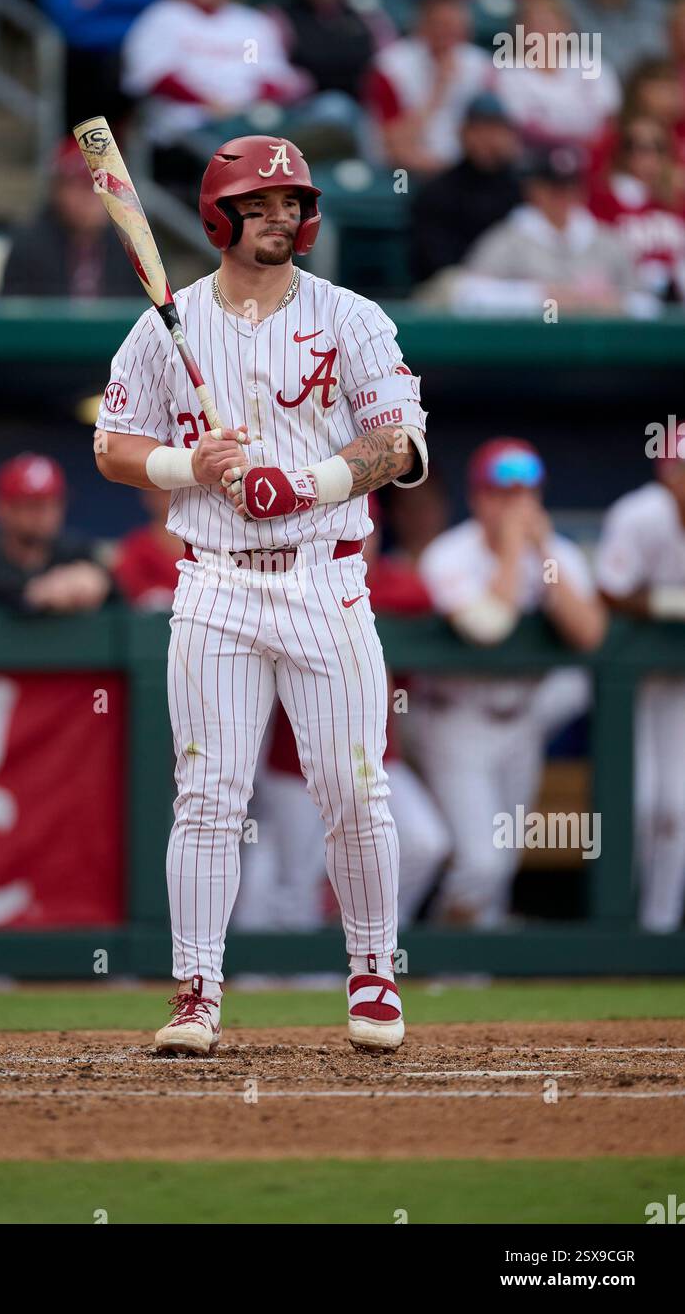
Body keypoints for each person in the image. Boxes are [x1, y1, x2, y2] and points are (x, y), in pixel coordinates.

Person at [93, 133, 428, 1055]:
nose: (281, 214)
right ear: (220, 214)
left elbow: (399, 441)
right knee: (206, 796)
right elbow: (112, 444)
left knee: (357, 793)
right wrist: (185, 462)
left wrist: (307, 483)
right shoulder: (171, 323)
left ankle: (373, 974)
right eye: (261, 201)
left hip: (326, 579)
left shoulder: (352, 316)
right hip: (216, 586)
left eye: (292, 201)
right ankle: (197, 992)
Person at [410, 439, 605, 926]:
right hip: (457, 721)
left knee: (503, 864)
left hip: (522, 722)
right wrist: (517, 544)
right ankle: (445, 965)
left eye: (526, 491)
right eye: (503, 493)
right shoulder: (448, 554)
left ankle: (469, 983)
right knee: (481, 861)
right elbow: (488, 627)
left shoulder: (553, 553)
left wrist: (541, 550)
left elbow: (589, 632)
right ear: (478, 498)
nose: (517, 503)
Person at [121, 0, 308, 186]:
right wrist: (207, 103)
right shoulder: (162, 16)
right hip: (189, 130)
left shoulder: (252, 22)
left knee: (332, 111)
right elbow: (152, 77)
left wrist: (246, 105)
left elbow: (276, 78)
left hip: (251, 120)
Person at [595, 429, 685, 932]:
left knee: (678, 808)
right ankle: (616, 928)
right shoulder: (641, 514)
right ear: (668, 474)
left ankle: (659, 929)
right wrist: (671, 605)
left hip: (677, 684)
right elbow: (608, 591)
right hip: (627, 685)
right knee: (639, 801)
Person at [451, 143, 646, 316]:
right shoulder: (508, 239)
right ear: (534, 189)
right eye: (554, 187)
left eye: (570, 186)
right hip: (530, 348)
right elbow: (468, 295)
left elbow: (646, 303)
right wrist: (538, 297)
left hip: (598, 348)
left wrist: (614, 303)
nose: (562, 196)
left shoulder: (606, 240)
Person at [38, 0, 174, 127]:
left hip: (142, 50)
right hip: (88, 56)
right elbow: (66, 16)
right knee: (98, 71)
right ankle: (93, 147)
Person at [0, 454, 110, 612]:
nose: (46, 514)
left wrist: (100, 581)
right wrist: (31, 591)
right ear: (1, 509)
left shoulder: (77, 550)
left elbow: (117, 591)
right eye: (33, 505)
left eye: (54, 503)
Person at [366, 0, 493, 176]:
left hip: (468, 171)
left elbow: (494, 136)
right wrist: (438, 89)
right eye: (442, 26)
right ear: (422, 26)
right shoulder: (390, 67)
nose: (449, 35)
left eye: (456, 27)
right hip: (405, 172)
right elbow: (396, 149)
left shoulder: (480, 65)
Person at [2, 138, 141, 298]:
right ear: (57, 189)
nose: (95, 196)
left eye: (105, 187)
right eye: (83, 185)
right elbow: (13, 314)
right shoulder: (28, 246)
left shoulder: (133, 248)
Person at [410, 93, 522, 284]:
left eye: (494, 130)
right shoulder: (438, 191)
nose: (486, 139)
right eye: (478, 130)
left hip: (517, 290)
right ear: (462, 133)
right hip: (456, 291)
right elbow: (435, 266)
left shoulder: (524, 191)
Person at [495, 0, 620, 151]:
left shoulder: (593, 63)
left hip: (593, 155)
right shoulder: (508, 73)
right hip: (533, 159)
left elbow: (608, 119)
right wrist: (574, 143)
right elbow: (521, 126)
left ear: (566, 26)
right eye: (533, 23)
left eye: (549, 22)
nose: (541, 31)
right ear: (519, 29)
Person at [589, 115, 685, 301]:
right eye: (637, 148)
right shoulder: (604, 199)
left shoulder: (676, 201)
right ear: (621, 153)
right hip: (627, 296)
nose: (648, 157)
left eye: (658, 148)